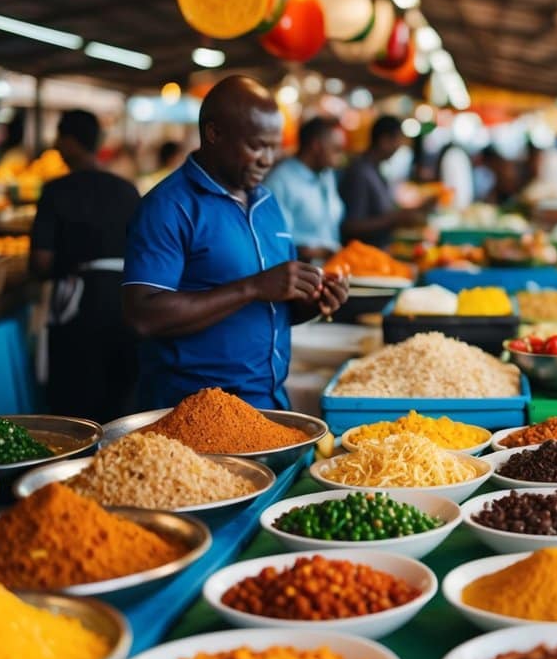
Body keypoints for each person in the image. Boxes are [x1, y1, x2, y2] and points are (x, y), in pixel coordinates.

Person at [122, 76, 348, 410]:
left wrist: (313, 302)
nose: (267, 159)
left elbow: (272, 308)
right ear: (214, 134)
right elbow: (143, 314)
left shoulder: (267, 204)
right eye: (257, 145)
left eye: (274, 146)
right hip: (192, 414)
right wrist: (253, 287)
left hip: (267, 405)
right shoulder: (170, 206)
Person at [30, 109, 141, 423]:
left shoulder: (55, 191)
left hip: (79, 309)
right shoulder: (127, 189)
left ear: (68, 141)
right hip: (125, 302)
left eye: (59, 139)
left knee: (74, 406)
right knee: (120, 403)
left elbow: (41, 260)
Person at [339, 115, 431, 247]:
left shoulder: (375, 170)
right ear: (384, 140)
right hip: (364, 257)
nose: (399, 146)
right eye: (397, 140)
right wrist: (395, 218)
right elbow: (351, 226)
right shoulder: (360, 173)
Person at [263, 116, 345, 262]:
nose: (341, 156)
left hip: (330, 271)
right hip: (299, 275)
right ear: (316, 146)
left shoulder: (327, 175)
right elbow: (275, 240)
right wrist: (319, 252)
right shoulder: (281, 181)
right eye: (336, 150)